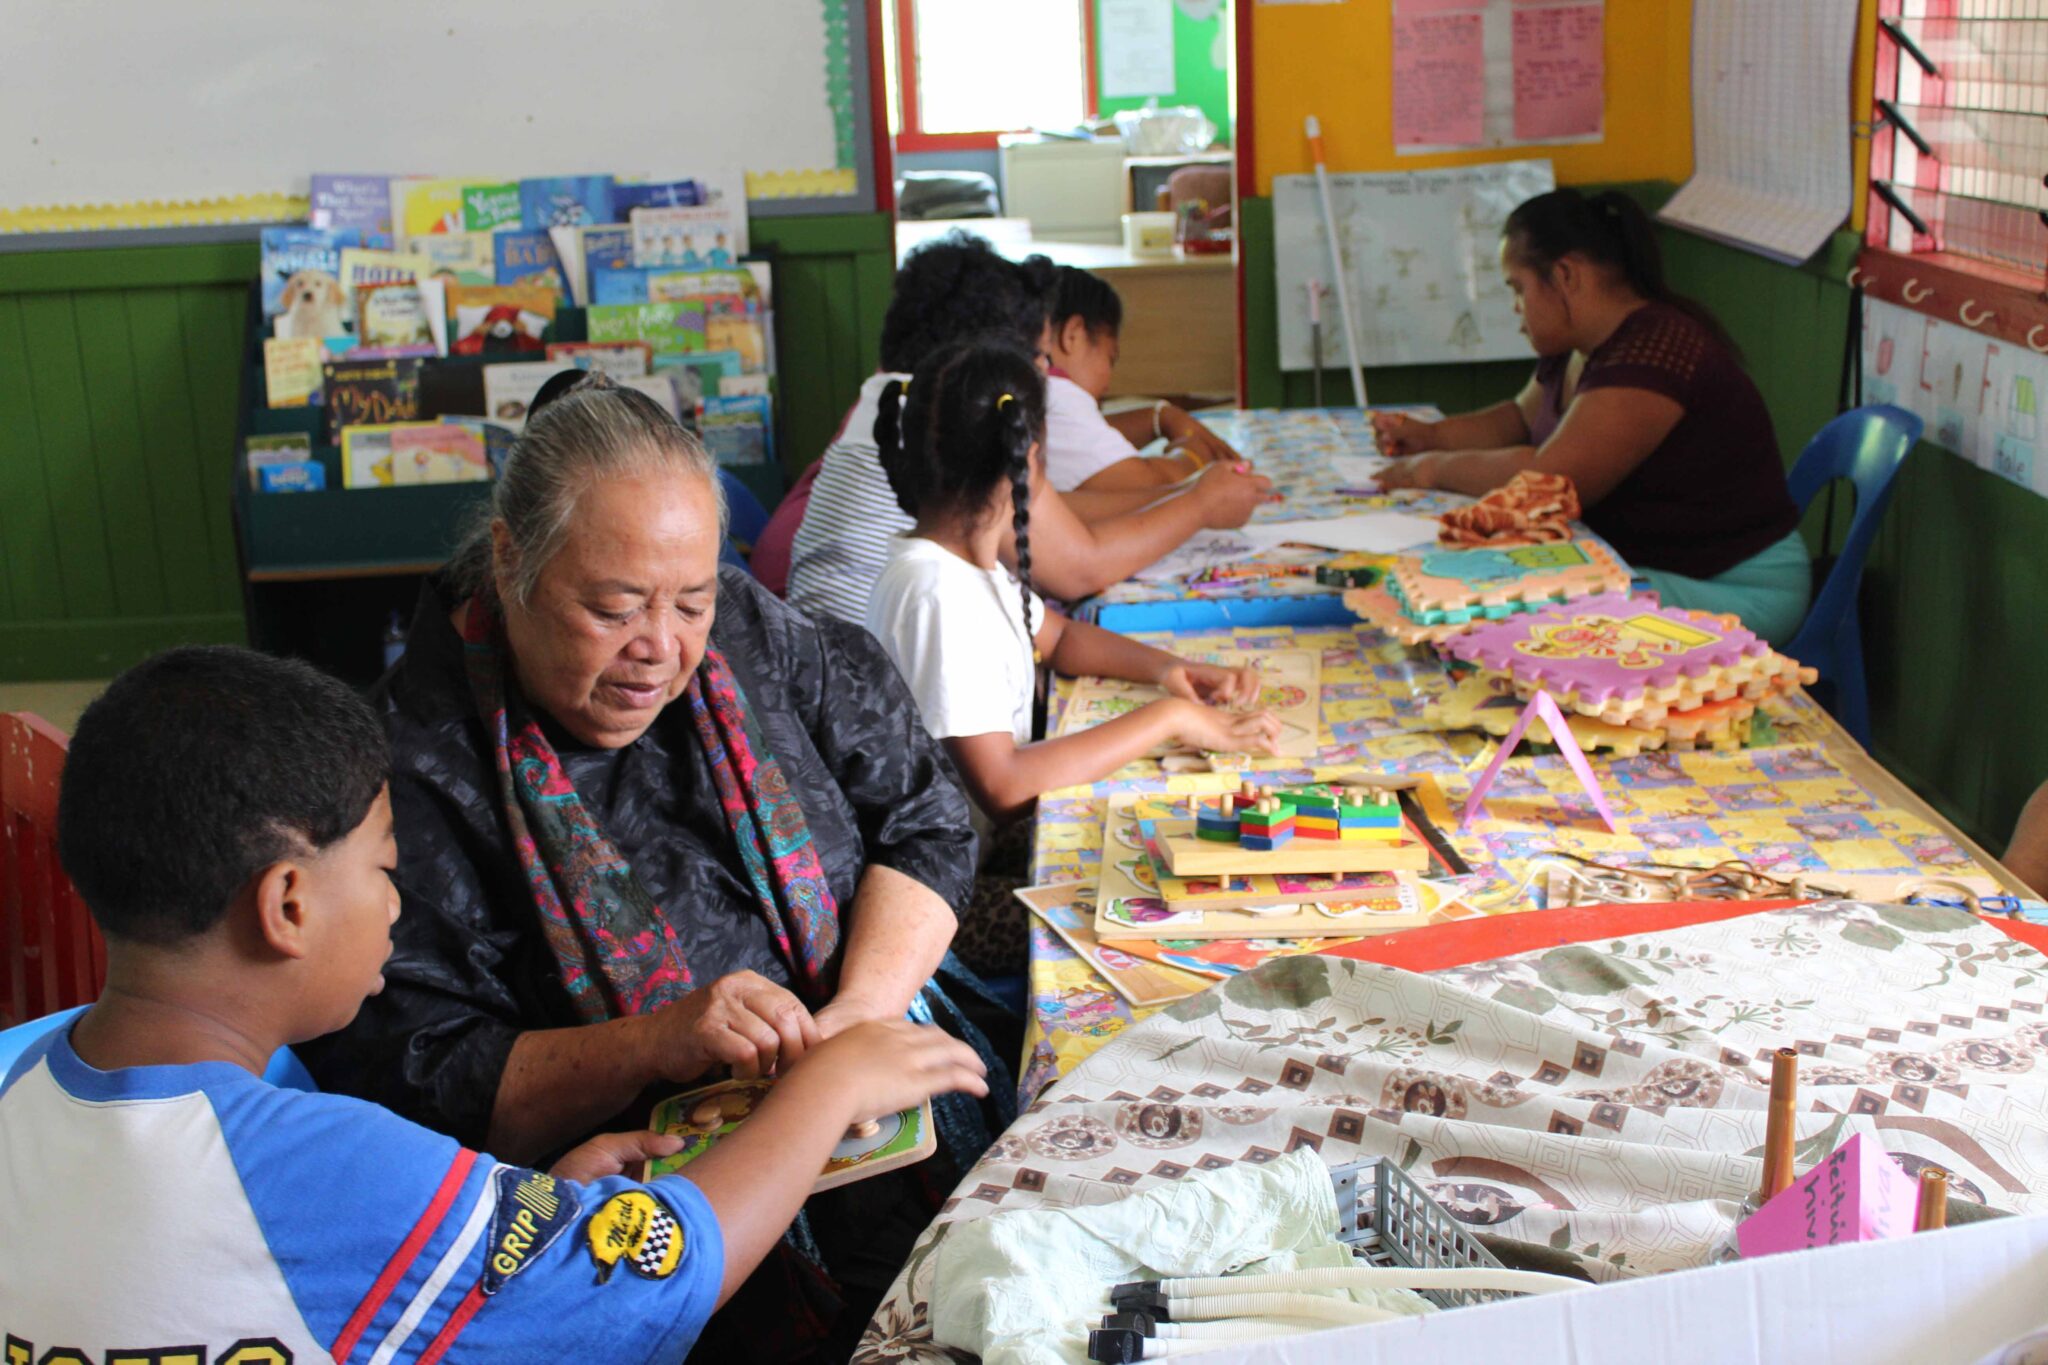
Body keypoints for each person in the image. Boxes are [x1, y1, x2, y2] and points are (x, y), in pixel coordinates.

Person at [0, 646, 987, 1361]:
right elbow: (666, 1276)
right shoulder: (322, 1162)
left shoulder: (17, 1077)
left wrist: (537, 1199)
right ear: (288, 906)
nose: (398, 906)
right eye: (384, 870)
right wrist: (825, 1088)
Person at [296, 373, 1006, 1360]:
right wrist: (650, 1044)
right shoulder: (407, 771)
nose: (661, 648)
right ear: (509, 560)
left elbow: (923, 818)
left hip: (885, 1087)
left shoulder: (747, 630)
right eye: (614, 607)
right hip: (660, 1223)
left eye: (690, 601)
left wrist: (858, 1017)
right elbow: (419, 1075)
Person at [866, 337, 1281, 825]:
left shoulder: (961, 562)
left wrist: (1169, 669)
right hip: (976, 863)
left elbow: (1059, 638)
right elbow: (1004, 786)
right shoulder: (937, 594)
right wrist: (1171, 717)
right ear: (1030, 458)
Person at [1373, 188, 1811, 645]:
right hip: (1657, 567)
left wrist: (1428, 470)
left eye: (1518, 288)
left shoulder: (1652, 357)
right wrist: (1430, 436)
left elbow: (1546, 482)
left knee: (1526, 610)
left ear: (1565, 276)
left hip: (1737, 587)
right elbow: (1517, 419)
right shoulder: (1580, 347)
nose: (1516, 308)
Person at [783, 230, 1272, 626]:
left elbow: (1054, 512)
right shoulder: (956, 422)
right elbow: (1080, 567)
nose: (1043, 372)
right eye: (1037, 357)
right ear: (986, 359)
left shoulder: (896, 400)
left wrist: (1187, 493)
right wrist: (1199, 505)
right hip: (880, 701)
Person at [1041, 264, 1242, 493]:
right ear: (1073, 335)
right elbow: (1154, 488)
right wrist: (1194, 453)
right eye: (1110, 358)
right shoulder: (1056, 395)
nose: (1108, 382)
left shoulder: (1038, 397)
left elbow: (1080, 435)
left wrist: (1162, 417)